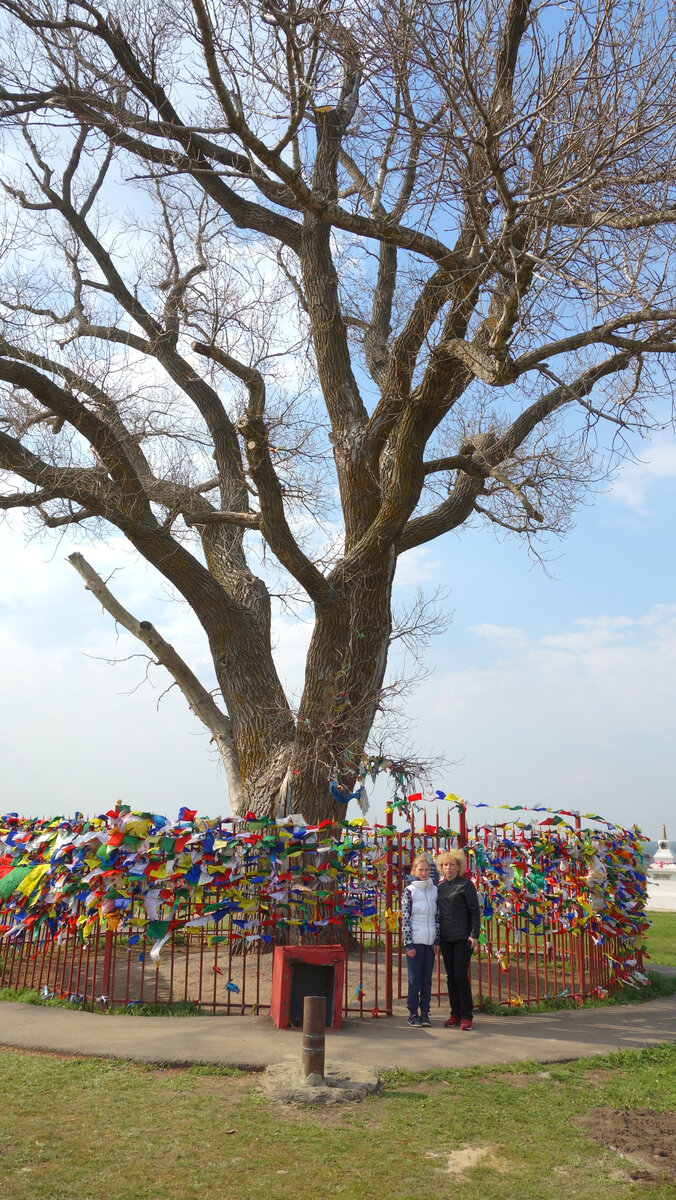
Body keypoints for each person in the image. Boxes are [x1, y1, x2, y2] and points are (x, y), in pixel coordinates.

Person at [436, 848, 481, 1031]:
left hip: (463, 937)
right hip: (446, 937)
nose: (448, 868)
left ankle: (466, 1015)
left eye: (452, 864)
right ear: (441, 867)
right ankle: (455, 1014)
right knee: (450, 977)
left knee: (461, 976)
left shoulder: (466, 885)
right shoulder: (440, 888)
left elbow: (474, 911)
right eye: (445, 865)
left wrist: (474, 934)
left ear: (458, 866)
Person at [401, 854, 439, 1027]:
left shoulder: (434, 890)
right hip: (415, 940)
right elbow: (405, 918)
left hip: (430, 941)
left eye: (426, 870)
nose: (424, 873)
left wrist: (437, 940)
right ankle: (412, 1013)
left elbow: (437, 916)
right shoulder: (409, 890)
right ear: (414, 871)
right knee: (414, 979)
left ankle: (425, 1013)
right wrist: (408, 943)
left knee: (426, 979)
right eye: (420, 870)